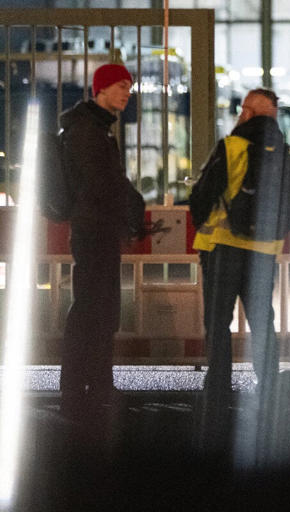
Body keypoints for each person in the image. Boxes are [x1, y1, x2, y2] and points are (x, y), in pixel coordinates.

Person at [59, 63, 146, 416]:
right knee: (91, 311)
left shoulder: (96, 128)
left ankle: (94, 385)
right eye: (121, 85)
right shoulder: (88, 131)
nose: (128, 93)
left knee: (100, 310)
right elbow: (102, 183)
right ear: (102, 89)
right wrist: (134, 206)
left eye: (129, 87)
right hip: (94, 231)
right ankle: (79, 390)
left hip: (98, 229)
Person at [191, 88, 286, 408]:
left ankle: (218, 385)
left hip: (224, 247)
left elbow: (201, 198)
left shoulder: (231, 147)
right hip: (264, 251)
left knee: (218, 320)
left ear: (248, 113)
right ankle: (270, 383)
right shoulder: (284, 152)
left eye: (244, 109)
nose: (240, 113)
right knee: (262, 319)